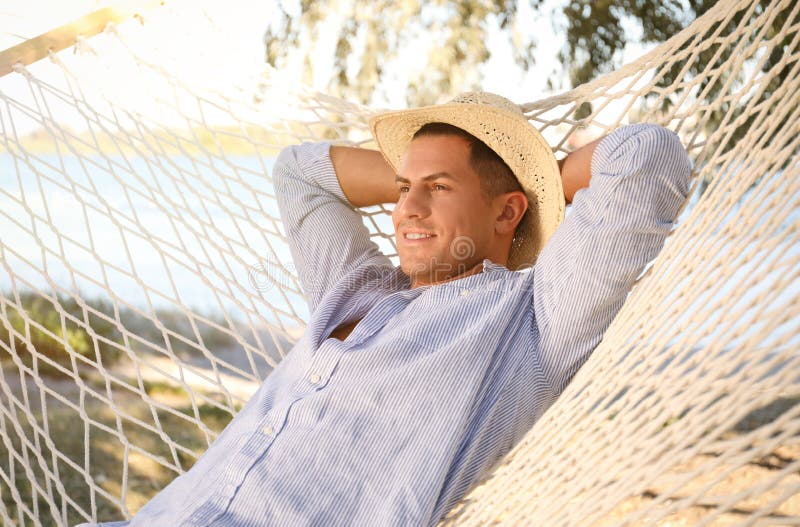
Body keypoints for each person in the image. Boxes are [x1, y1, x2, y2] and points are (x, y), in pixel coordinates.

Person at [78, 92, 691, 526]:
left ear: (508, 212)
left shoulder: (532, 322)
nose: (405, 209)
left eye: (439, 188)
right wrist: (431, 170)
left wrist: (536, 180)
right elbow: (298, 174)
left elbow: (648, 158)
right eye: (402, 187)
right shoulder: (356, 286)